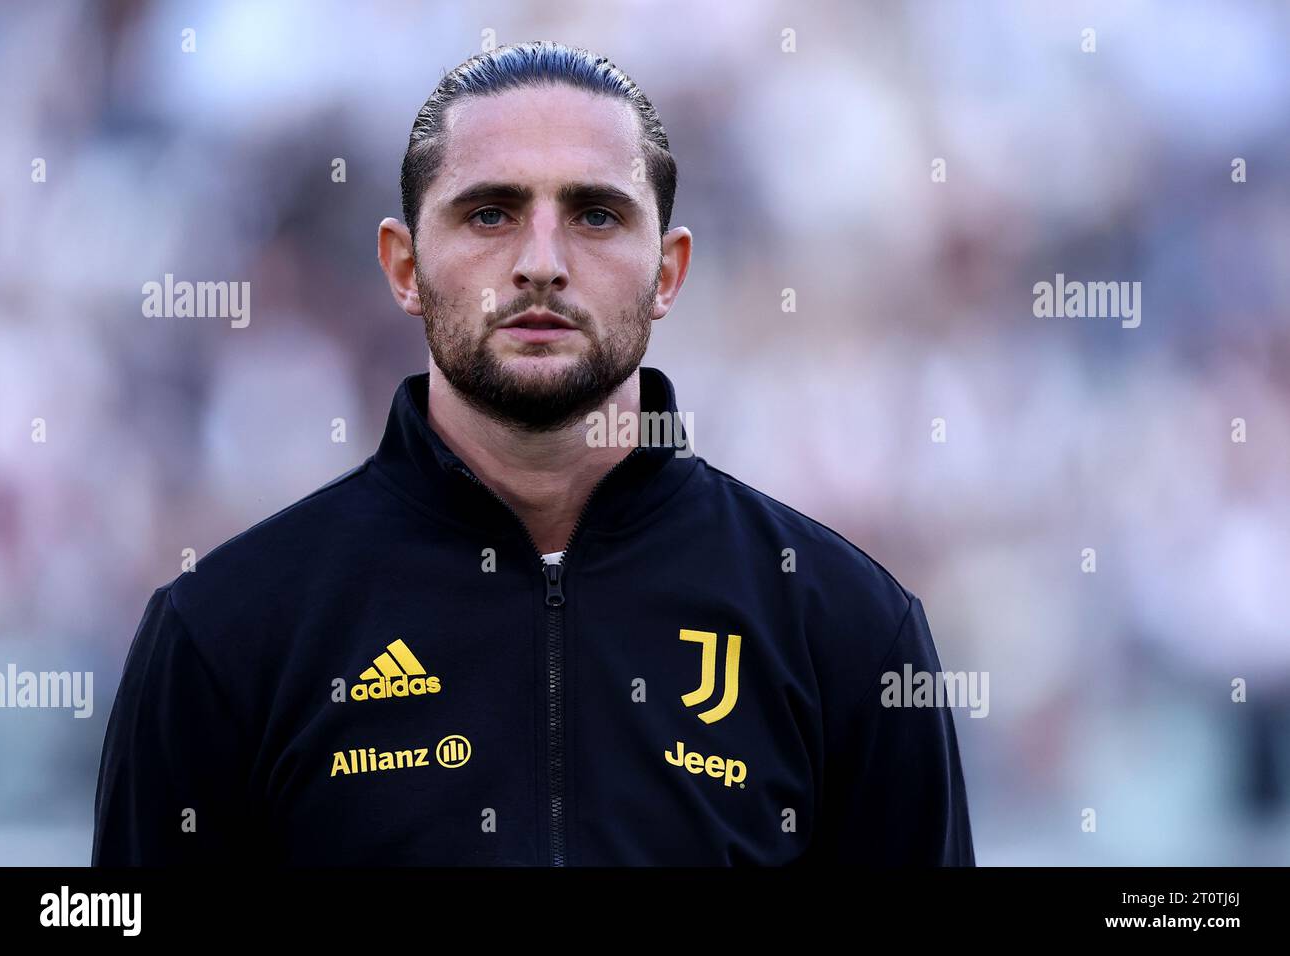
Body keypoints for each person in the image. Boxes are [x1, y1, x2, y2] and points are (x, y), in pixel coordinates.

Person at [92, 40, 975, 866]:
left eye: (595, 213)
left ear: (668, 272)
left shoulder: (846, 629)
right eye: (490, 212)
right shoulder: (226, 634)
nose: (542, 263)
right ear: (404, 267)